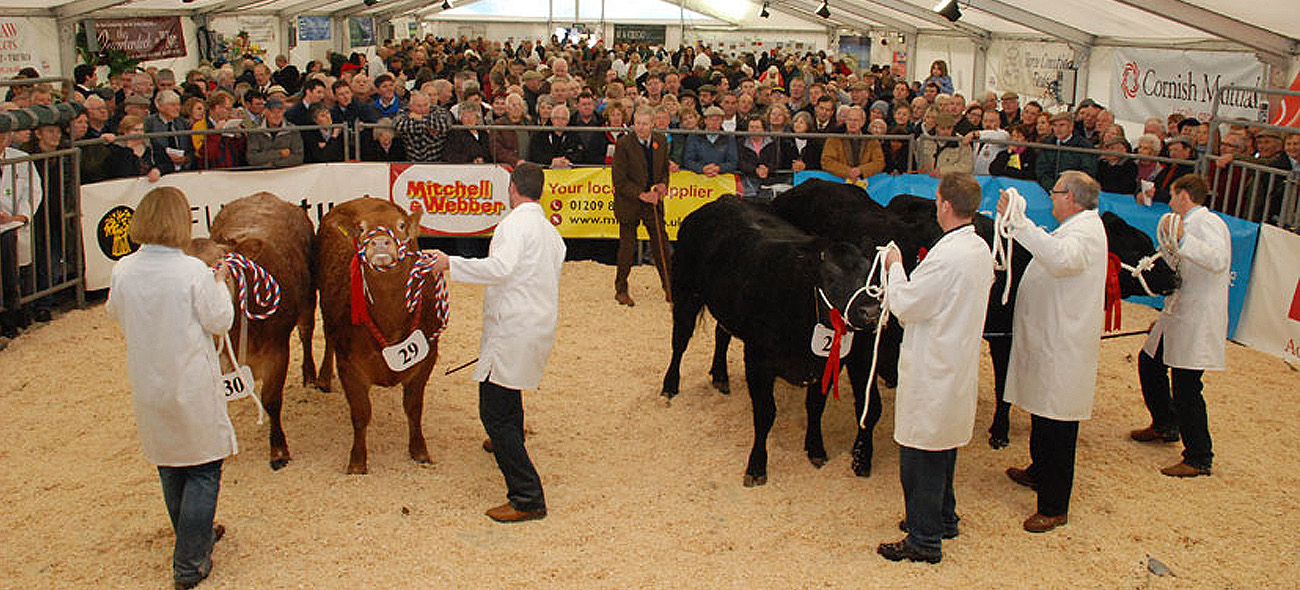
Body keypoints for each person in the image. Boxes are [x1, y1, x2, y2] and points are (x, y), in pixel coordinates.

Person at [105, 186, 236, 589]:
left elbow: (116, 313)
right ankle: (190, 562)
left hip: (149, 379)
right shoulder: (192, 271)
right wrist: (221, 282)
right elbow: (220, 321)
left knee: (170, 463)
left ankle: (191, 534)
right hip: (189, 380)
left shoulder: (123, 268)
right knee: (203, 467)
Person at [427, 163, 564, 523]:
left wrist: (448, 263)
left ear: (514, 188)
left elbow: (500, 268)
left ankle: (527, 496)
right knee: (508, 387)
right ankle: (505, 440)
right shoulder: (551, 232)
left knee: (493, 408)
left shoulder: (513, 224)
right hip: (537, 323)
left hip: (514, 325)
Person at [876, 172, 993, 564]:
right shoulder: (977, 247)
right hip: (955, 358)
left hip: (933, 361)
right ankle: (943, 517)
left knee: (920, 451)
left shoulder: (947, 256)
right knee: (943, 444)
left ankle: (923, 539)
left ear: (944, 205)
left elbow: (907, 304)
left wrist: (894, 265)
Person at [998, 170, 1107, 534]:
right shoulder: (1076, 227)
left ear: (1072, 198)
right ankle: (1039, 471)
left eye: (1056, 191)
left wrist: (1021, 223)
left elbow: (1061, 260)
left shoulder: (1087, 232)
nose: (1051, 196)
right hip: (1049, 337)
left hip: (1063, 343)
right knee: (1042, 412)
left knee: (1058, 423)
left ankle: (1054, 505)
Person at [1130, 175, 1230, 478]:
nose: (1170, 202)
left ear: (1184, 196)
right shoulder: (1185, 225)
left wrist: (1185, 241)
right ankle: (1165, 424)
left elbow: (1219, 260)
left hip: (1197, 316)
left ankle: (1199, 456)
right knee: (1150, 362)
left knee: (1187, 386)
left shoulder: (1207, 223)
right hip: (1178, 312)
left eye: (1173, 196)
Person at [610, 106, 671, 307]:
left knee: (661, 243)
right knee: (627, 247)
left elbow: (663, 171)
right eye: (637, 123)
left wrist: (663, 185)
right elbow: (619, 180)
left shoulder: (661, 141)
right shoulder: (624, 144)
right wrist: (641, 194)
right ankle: (621, 288)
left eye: (645, 124)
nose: (641, 128)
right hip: (629, 202)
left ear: (653, 123)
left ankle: (670, 287)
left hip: (653, 203)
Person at [821, 105, 884, 184]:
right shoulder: (834, 138)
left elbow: (879, 162)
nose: (852, 123)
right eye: (849, 120)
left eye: (856, 120)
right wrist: (848, 172)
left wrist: (861, 170)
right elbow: (826, 161)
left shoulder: (872, 140)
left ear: (863, 122)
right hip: (839, 183)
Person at [1036, 112, 1096, 192]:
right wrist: (1051, 187)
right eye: (1055, 125)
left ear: (1071, 127)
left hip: (1074, 192)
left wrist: (1067, 189)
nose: (1058, 129)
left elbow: (1087, 172)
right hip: (1049, 191)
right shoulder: (1047, 144)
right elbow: (1041, 169)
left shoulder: (1084, 146)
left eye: (1062, 125)